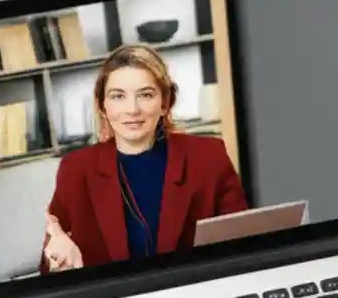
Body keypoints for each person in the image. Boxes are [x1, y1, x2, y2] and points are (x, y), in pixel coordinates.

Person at [41, 44, 248, 272]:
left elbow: (244, 244)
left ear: (165, 103)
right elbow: (49, 265)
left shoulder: (208, 156)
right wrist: (57, 262)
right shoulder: (75, 169)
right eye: (118, 96)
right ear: (102, 106)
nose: (132, 109)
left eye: (146, 95)